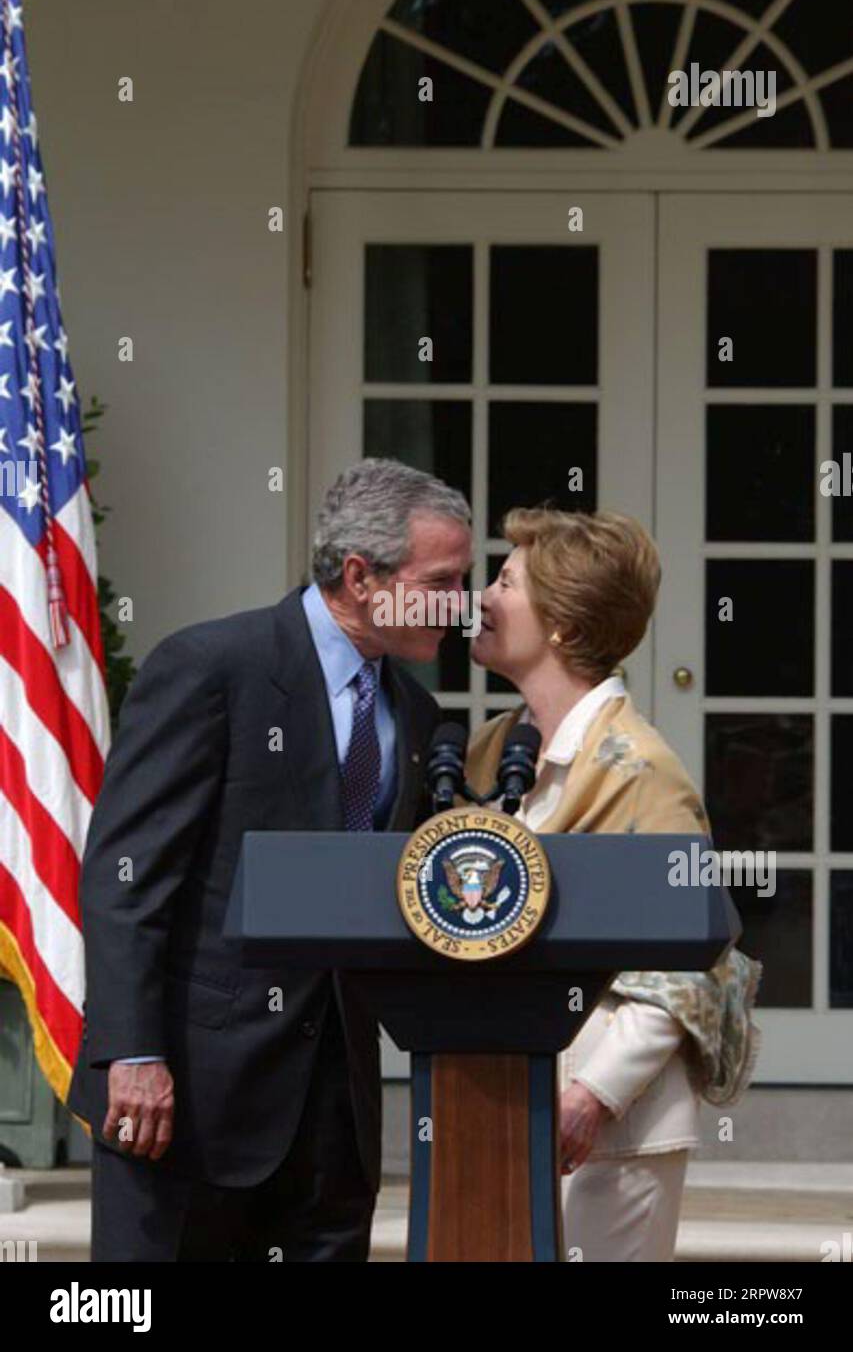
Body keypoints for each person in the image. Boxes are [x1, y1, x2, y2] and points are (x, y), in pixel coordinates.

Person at [68, 457, 472, 1262]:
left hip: (333, 1118)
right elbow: (127, 878)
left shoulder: (418, 713)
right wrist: (134, 1054)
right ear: (361, 576)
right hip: (184, 1100)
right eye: (444, 580)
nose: (458, 606)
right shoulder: (214, 667)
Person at [466, 507, 761, 1263]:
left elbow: (688, 963)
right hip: (503, 1095)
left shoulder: (640, 765)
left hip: (609, 1124)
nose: (484, 597)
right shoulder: (493, 748)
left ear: (561, 627)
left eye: (505, 581)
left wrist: (590, 1095)